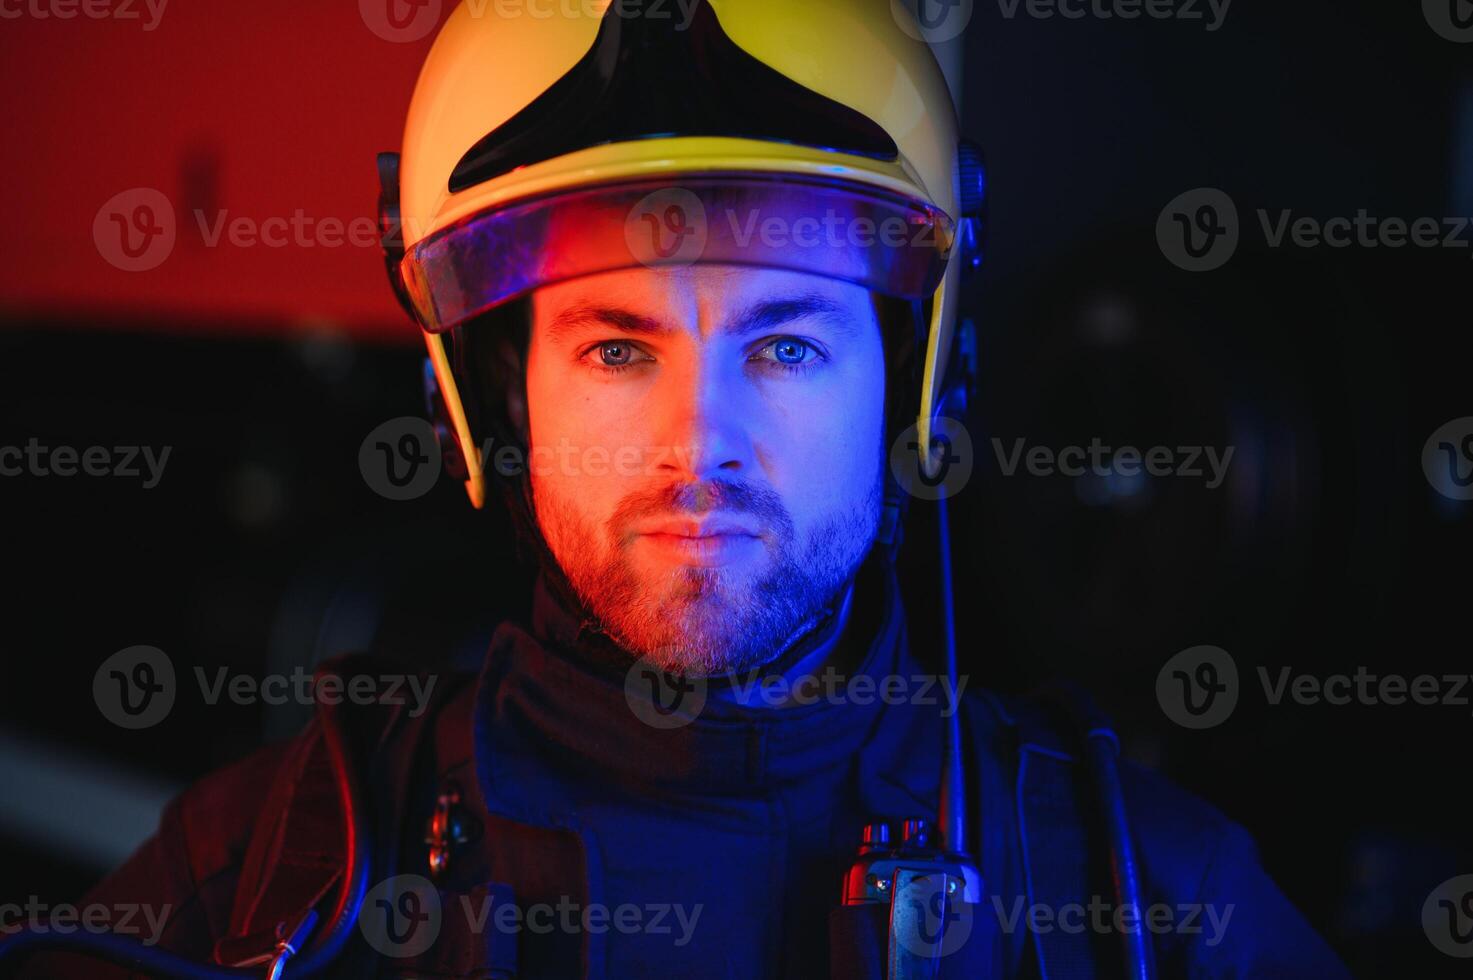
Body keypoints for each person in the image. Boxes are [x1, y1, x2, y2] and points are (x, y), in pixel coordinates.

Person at [14, 1, 1350, 976]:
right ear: (490, 399)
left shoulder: (1150, 905)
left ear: (912, 383)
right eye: (614, 347)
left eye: (780, 344)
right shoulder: (255, 885)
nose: (696, 441)